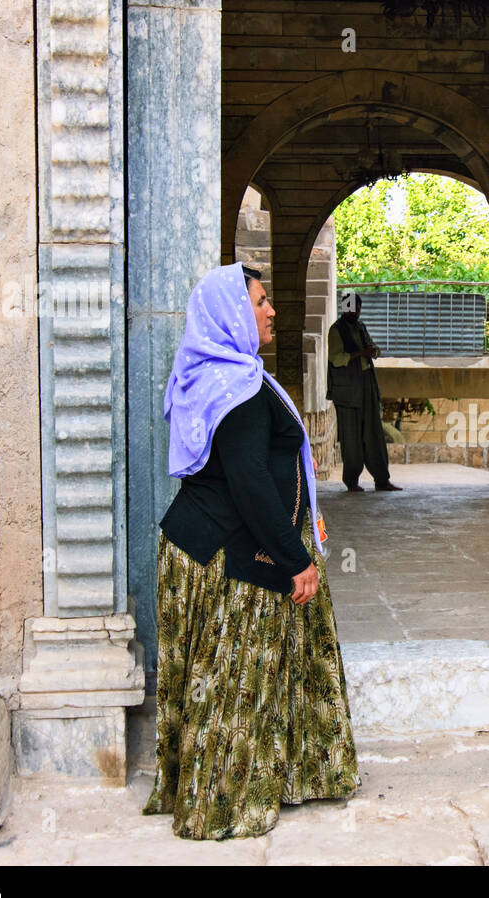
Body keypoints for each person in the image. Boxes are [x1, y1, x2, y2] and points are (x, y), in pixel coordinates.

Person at [143, 262, 360, 840]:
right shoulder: (236, 389)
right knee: (233, 683)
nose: (271, 311)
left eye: (267, 301)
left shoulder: (214, 376)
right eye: (259, 302)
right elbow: (250, 483)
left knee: (218, 679)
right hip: (229, 557)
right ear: (230, 315)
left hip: (199, 546)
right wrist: (295, 559)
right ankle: (220, 804)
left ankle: (246, 781)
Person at [327, 292, 401, 492]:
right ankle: (352, 481)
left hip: (366, 384)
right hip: (347, 391)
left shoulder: (361, 327)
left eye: (358, 308)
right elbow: (336, 359)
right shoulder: (336, 330)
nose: (356, 311)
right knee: (352, 437)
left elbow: (370, 348)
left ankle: (381, 479)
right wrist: (360, 353)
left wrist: (373, 350)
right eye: (352, 308)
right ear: (345, 308)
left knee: (374, 432)